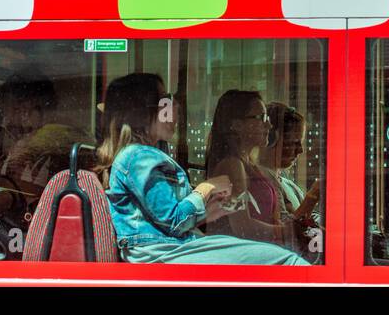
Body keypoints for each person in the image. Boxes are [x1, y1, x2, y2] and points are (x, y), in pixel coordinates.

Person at [97, 73, 308, 265]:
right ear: (142, 112)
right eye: (166, 101)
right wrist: (206, 188)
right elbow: (175, 221)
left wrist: (213, 209)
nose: (175, 107)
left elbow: (172, 217)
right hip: (163, 252)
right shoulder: (138, 158)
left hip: (175, 246)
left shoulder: (143, 157)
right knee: (287, 261)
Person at [0, 72, 88, 224]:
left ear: (27, 110)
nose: (5, 122)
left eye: (7, 111)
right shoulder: (27, 150)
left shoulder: (61, 146)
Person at [204, 90, 299, 251]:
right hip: (238, 257)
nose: (268, 125)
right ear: (236, 125)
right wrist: (287, 232)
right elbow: (242, 227)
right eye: (261, 118)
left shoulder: (249, 165)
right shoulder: (231, 166)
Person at [258, 103, 322, 255]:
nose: (300, 150)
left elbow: (308, 217)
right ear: (271, 140)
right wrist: (313, 195)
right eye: (293, 143)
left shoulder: (285, 182)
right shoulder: (262, 181)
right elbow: (286, 232)